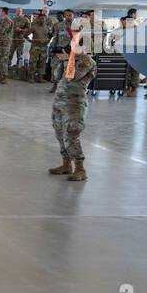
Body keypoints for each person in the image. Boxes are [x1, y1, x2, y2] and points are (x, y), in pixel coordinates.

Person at [49, 21, 97, 182]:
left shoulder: (87, 61)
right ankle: (66, 164)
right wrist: (62, 61)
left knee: (71, 134)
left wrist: (66, 60)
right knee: (60, 134)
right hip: (60, 102)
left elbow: (72, 76)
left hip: (74, 105)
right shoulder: (70, 59)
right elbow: (56, 77)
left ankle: (80, 168)